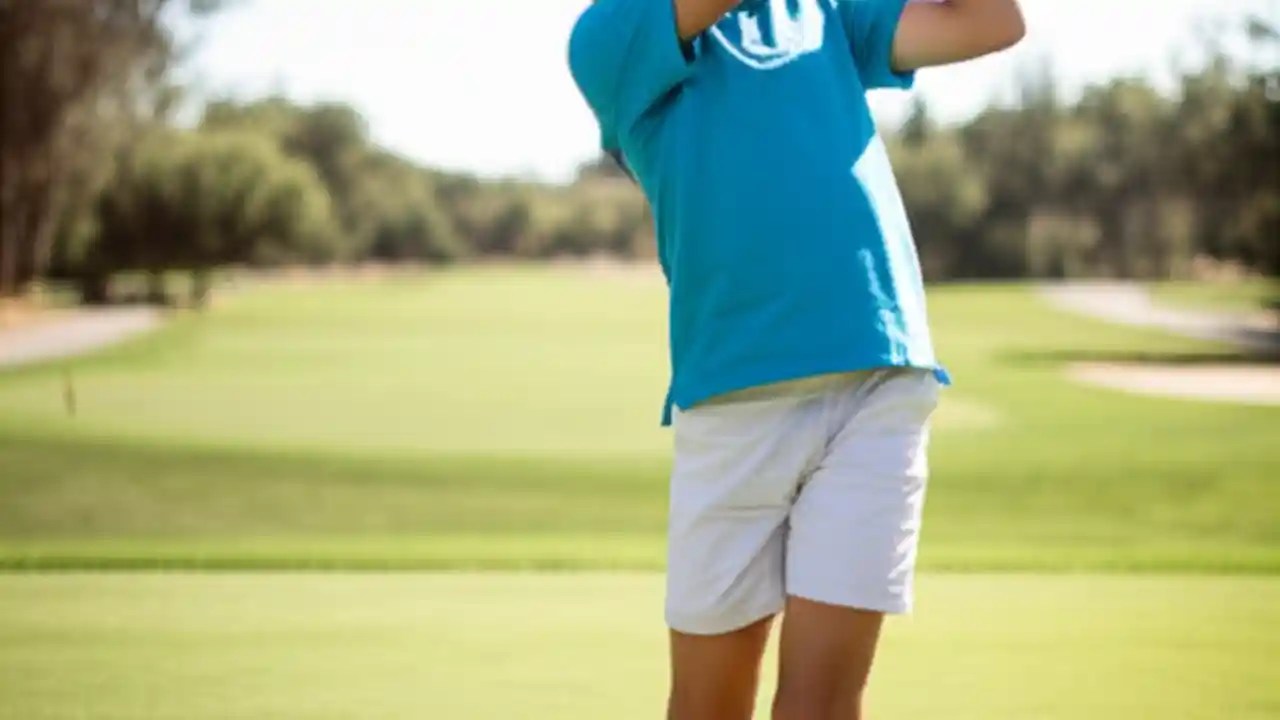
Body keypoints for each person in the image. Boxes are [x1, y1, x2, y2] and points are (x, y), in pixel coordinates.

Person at [567, 0, 1024, 717]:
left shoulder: (822, 10)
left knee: (822, 706)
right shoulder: (610, 32)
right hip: (735, 398)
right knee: (708, 705)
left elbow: (992, 21)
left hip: (878, 373)